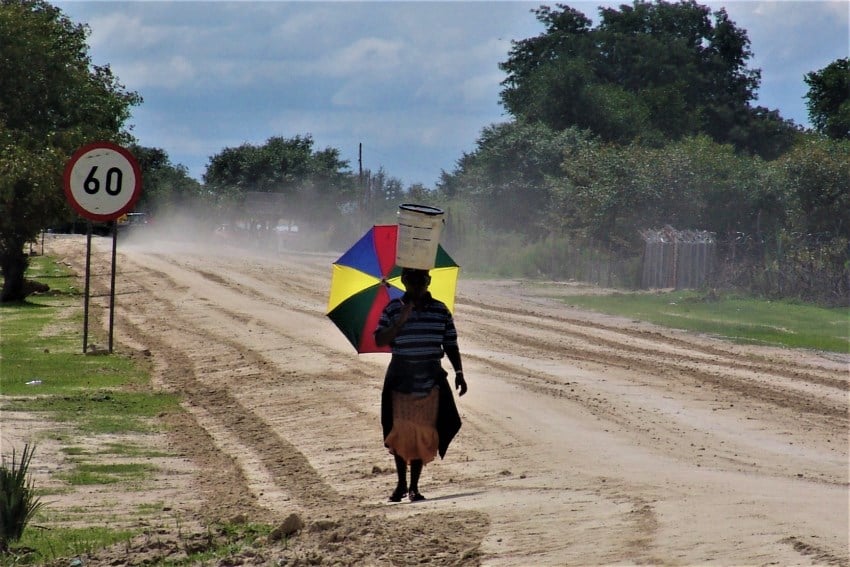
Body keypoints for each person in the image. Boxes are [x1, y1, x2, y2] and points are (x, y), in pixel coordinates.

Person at [374, 267, 467, 502]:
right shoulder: (393, 309)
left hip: (429, 379)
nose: (417, 285)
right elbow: (379, 339)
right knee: (399, 431)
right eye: (412, 280)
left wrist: (459, 372)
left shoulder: (440, 310)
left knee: (422, 432)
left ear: (429, 281)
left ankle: (414, 486)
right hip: (401, 379)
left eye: (422, 280)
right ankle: (401, 484)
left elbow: (450, 344)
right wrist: (398, 323)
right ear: (404, 281)